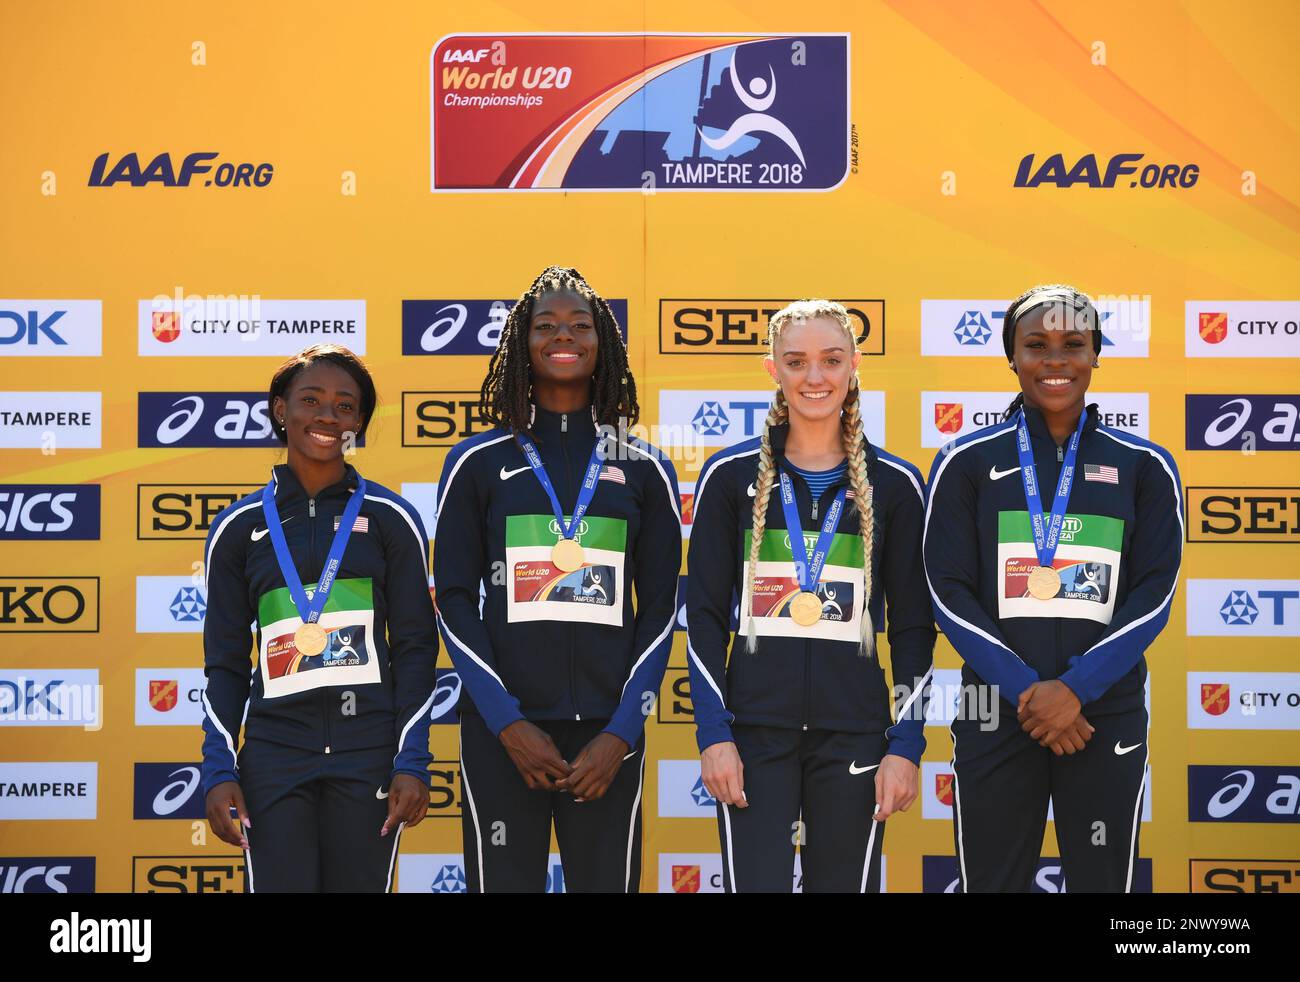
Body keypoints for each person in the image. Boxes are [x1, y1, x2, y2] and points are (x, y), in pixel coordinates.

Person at [923, 284, 1182, 892]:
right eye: (1036, 345)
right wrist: (1029, 692)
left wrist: (1075, 690)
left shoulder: (1145, 464)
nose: (1056, 360)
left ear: (1097, 354)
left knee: (1104, 883)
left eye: (1074, 345)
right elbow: (947, 590)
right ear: (1011, 356)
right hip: (997, 712)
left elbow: (1154, 596)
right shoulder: (965, 460)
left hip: (1103, 713)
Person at [434, 266, 681, 892]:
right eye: (545, 326)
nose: (562, 336)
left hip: (605, 738)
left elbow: (658, 610)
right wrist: (507, 724)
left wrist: (622, 733)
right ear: (522, 344)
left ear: (603, 343)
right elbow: (455, 601)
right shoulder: (476, 462)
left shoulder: (643, 465)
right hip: (503, 736)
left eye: (580, 325)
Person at [686, 299, 936, 893]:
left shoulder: (895, 485)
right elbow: (701, 617)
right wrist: (715, 736)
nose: (815, 377)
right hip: (752, 735)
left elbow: (913, 628)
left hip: (857, 735)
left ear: (854, 366)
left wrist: (906, 744)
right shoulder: (728, 477)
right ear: (773, 370)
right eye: (796, 362)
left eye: (830, 360)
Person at [201, 345, 437, 892]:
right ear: (281, 409)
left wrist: (412, 760)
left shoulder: (390, 518)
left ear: (359, 424)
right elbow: (226, 665)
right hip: (273, 758)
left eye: (345, 406)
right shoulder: (238, 527)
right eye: (311, 400)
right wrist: (218, 769)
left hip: (369, 757)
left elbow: (416, 650)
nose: (327, 416)